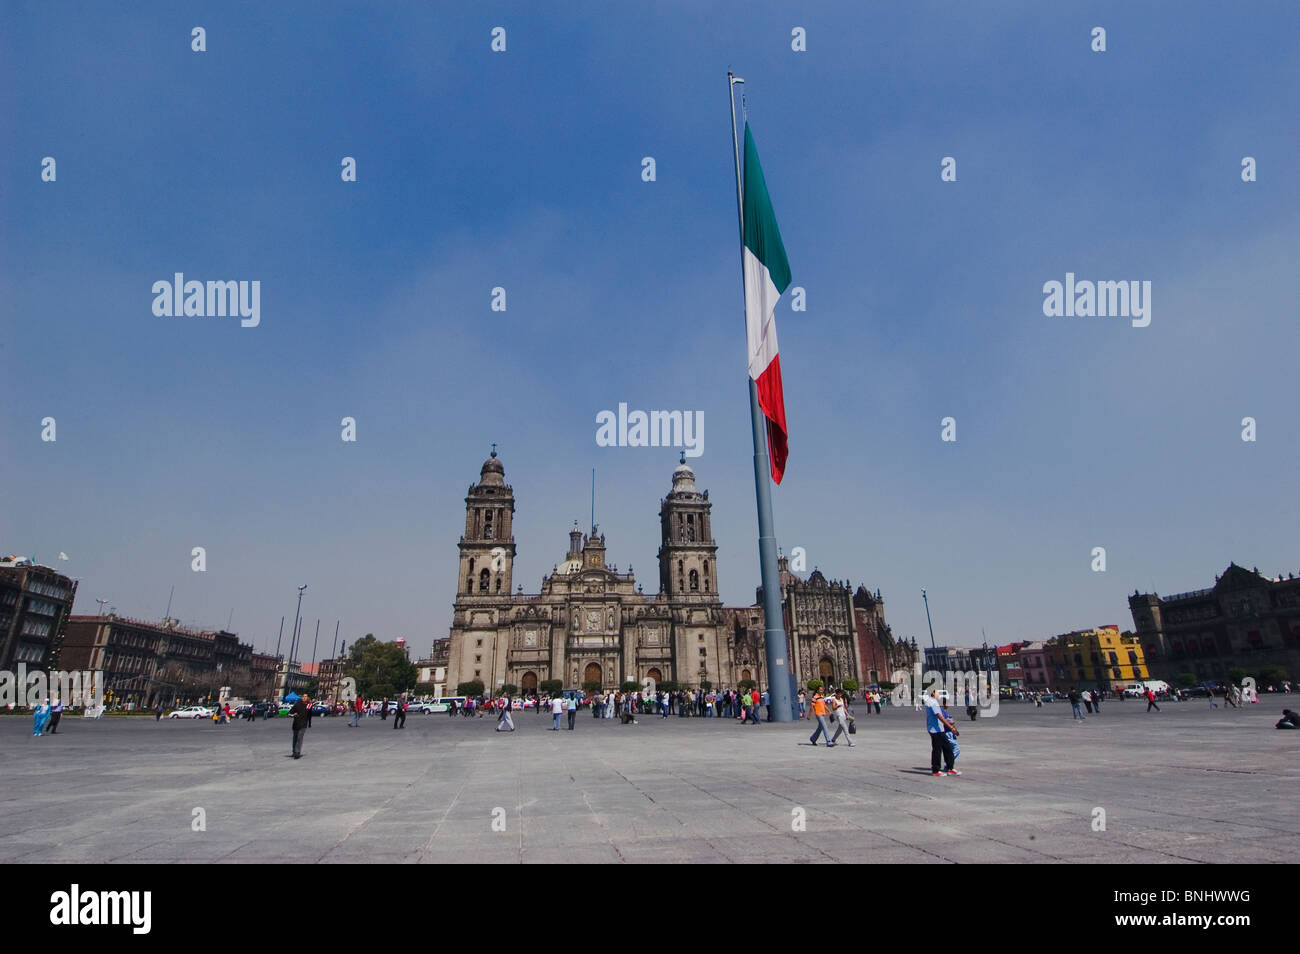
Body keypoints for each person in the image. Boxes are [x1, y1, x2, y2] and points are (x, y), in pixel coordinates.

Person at [924, 689, 959, 776]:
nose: (939, 694)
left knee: (947, 748)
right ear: (933, 693)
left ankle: (950, 767)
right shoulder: (933, 703)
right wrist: (951, 727)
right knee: (937, 750)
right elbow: (940, 716)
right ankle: (936, 770)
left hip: (938, 729)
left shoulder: (930, 701)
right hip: (935, 730)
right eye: (937, 693)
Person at [290, 694, 312, 759]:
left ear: (308, 698)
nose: (304, 698)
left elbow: (309, 714)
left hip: (303, 724)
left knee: (300, 738)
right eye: (303, 696)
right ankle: (294, 751)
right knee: (295, 738)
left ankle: (297, 752)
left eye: (306, 696)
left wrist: (309, 723)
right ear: (301, 698)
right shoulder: (297, 704)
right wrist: (293, 714)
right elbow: (290, 712)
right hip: (296, 723)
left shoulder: (309, 705)